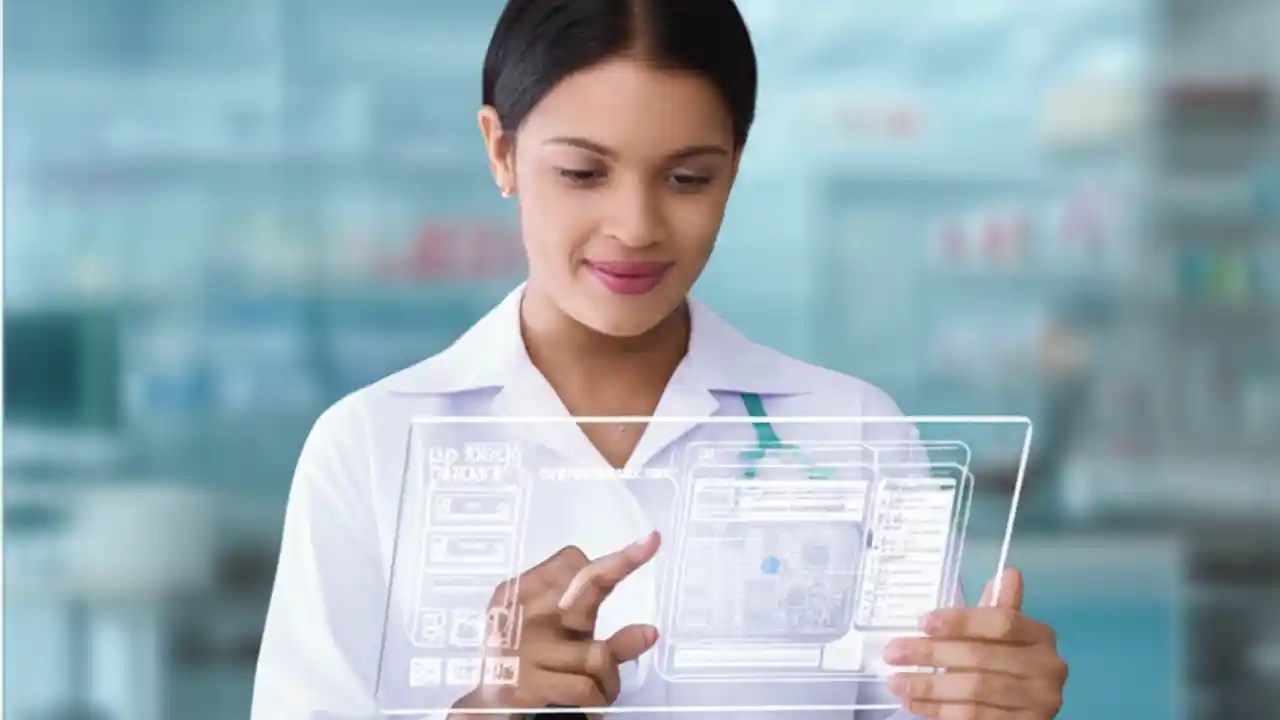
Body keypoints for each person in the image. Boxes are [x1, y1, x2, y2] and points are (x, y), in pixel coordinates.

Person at [251, 1, 1068, 718]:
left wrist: (992, 707)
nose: (636, 225)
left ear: (735, 169)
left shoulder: (855, 433)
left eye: (686, 177)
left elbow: (925, 706)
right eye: (582, 172)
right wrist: (486, 710)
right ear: (500, 151)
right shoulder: (368, 448)